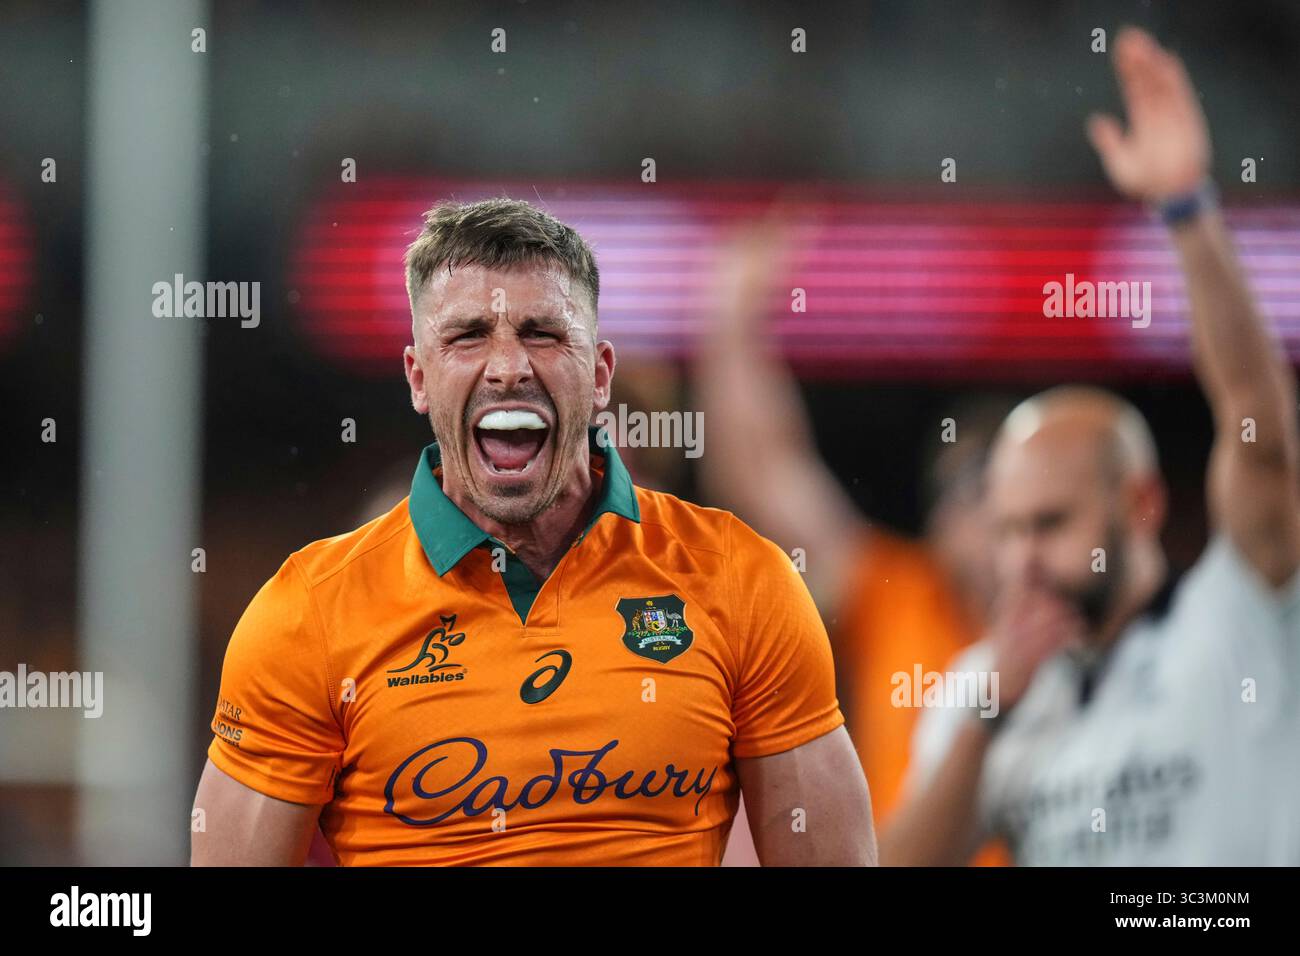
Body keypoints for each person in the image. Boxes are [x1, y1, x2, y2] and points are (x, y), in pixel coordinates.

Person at [191, 197, 876, 866]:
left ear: (600, 374)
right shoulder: (306, 613)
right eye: (466, 336)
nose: (509, 366)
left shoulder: (742, 580)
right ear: (418, 377)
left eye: (543, 333)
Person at [882, 27, 1300, 865]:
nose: (1020, 561)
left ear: (1140, 503)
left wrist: (1186, 209)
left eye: (1049, 524)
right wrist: (988, 720)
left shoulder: (1243, 613)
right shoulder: (985, 685)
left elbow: (1259, 427)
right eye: (1006, 530)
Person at [698, 212, 1009, 865]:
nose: (985, 528)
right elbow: (763, 475)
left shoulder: (1093, 621)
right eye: (962, 499)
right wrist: (732, 327)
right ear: (943, 524)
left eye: (1005, 498)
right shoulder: (898, 590)